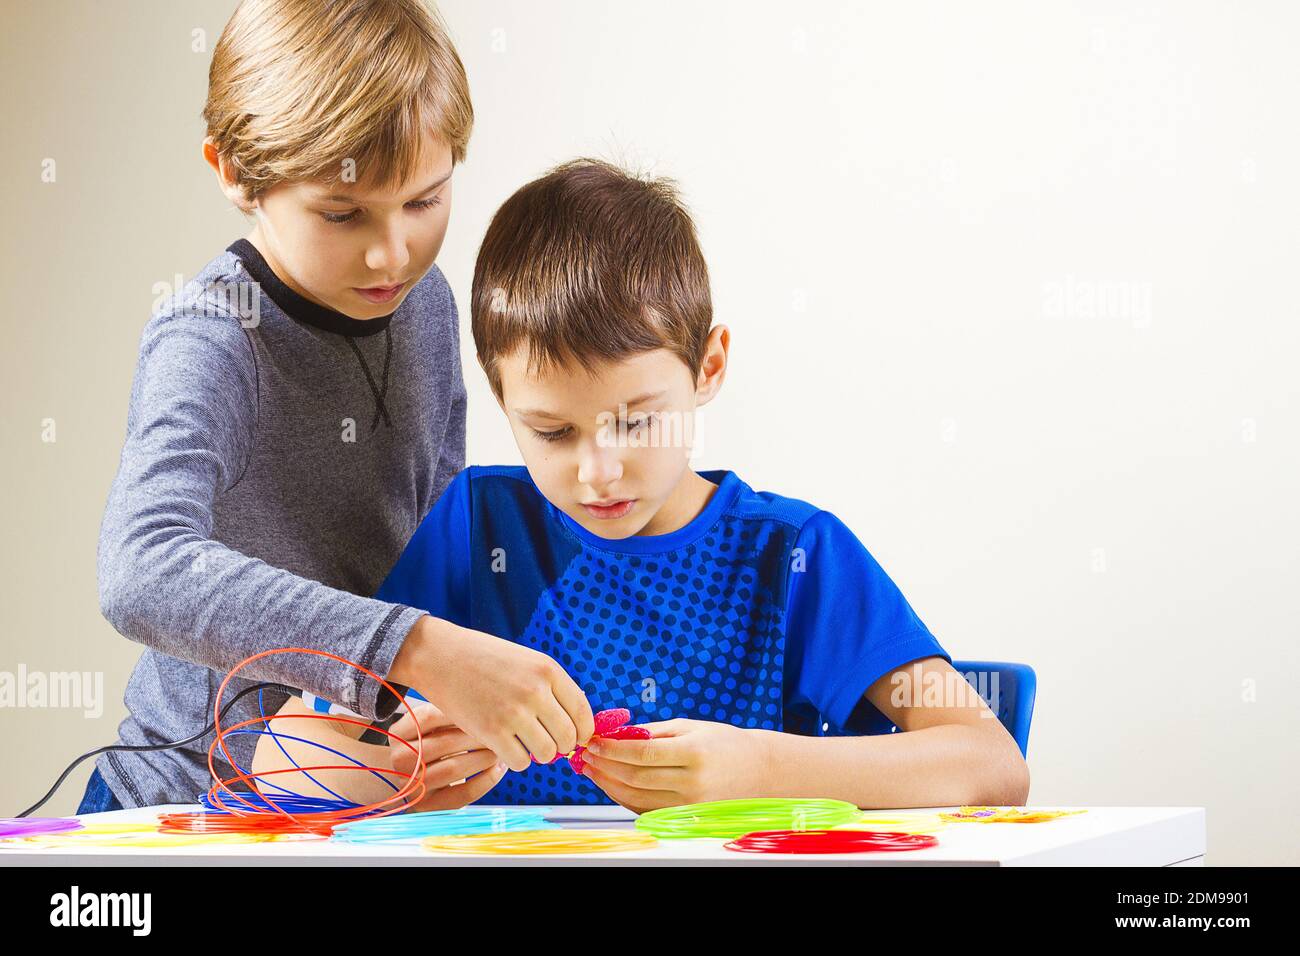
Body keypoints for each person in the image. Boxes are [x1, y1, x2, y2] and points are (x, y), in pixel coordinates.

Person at [80, 0, 593, 817]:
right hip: (178, 813)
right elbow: (138, 570)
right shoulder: (215, 338)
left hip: (344, 812)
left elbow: (431, 542)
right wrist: (416, 650)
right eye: (343, 213)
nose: (393, 253)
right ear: (233, 172)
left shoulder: (426, 307)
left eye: (424, 202)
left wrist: (435, 713)